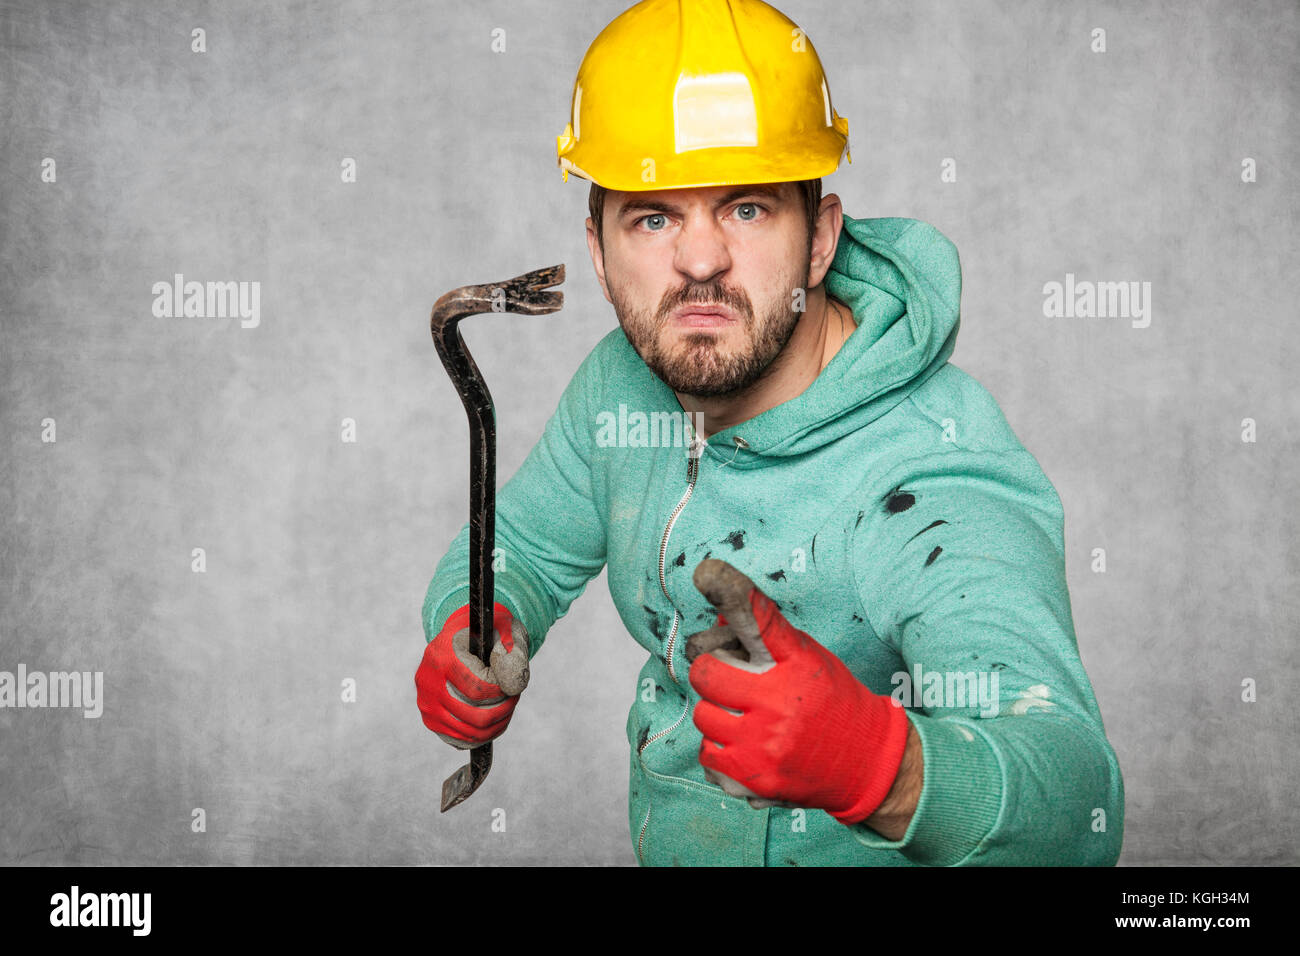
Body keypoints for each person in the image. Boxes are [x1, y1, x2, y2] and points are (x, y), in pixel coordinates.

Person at [416, 0, 1124, 866]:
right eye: (654, 216)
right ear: (597, 254)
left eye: (747, 209)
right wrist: (477, 622)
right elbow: (520, 544)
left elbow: (1078, 798)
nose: (703, 260)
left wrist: (882, 767)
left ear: (820, 239)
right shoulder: (620, 387)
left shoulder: (929, 476)